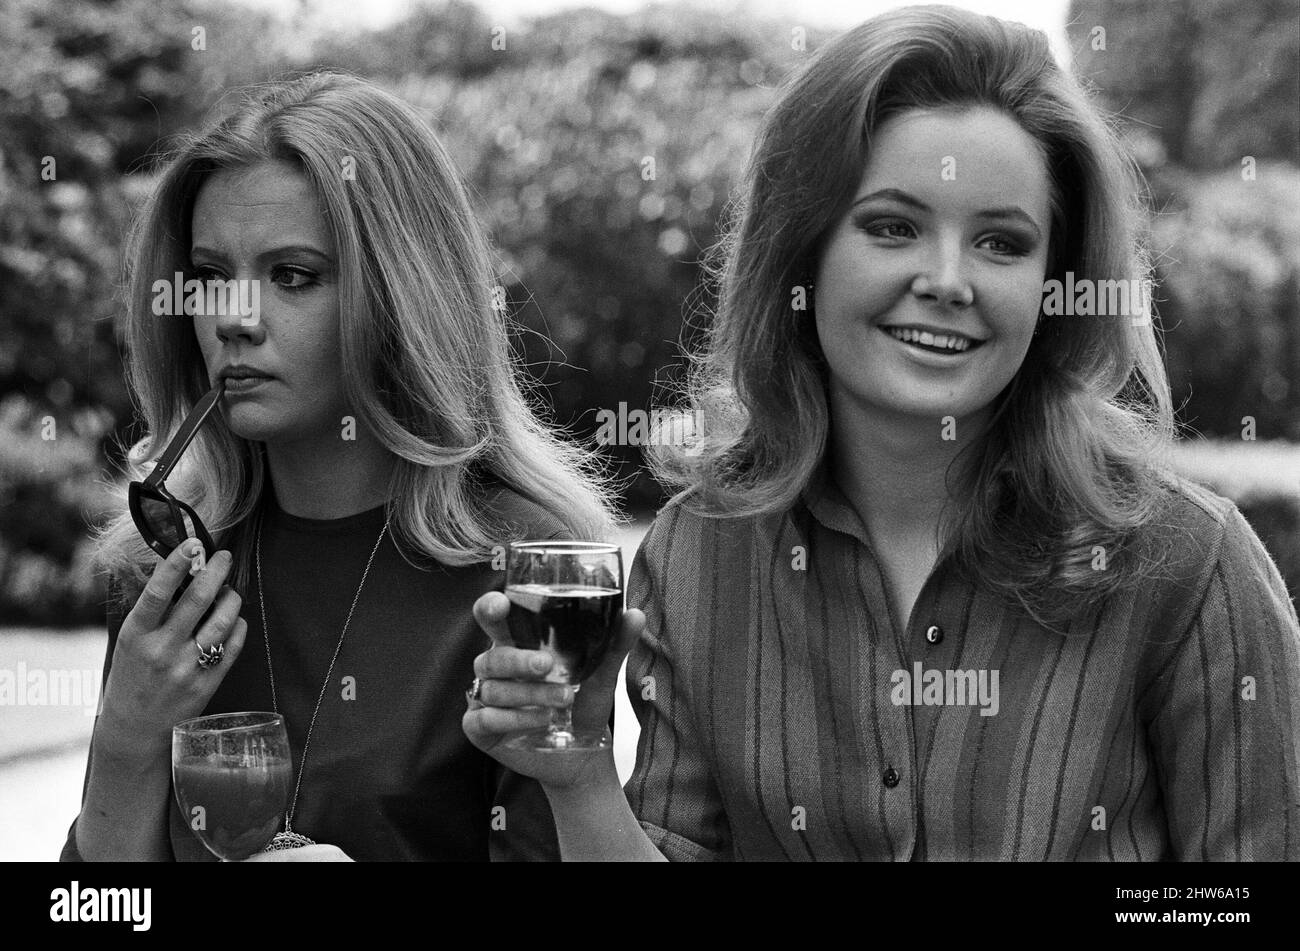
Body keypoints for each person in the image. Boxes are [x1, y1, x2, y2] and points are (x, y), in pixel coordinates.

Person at [464, 5, 1300, 860]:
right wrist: (580, 777)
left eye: (1001, 243)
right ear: (801, 252)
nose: (946, 281)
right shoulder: (698, 554)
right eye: (893, 226)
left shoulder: (1190, 566)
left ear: (1057, 283)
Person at [61, 71, 617, 862]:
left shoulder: (522, 570)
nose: (233, 319)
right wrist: (124, 739)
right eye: (211, 278)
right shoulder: (166, 562)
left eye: (293, 275)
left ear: (401, 295)